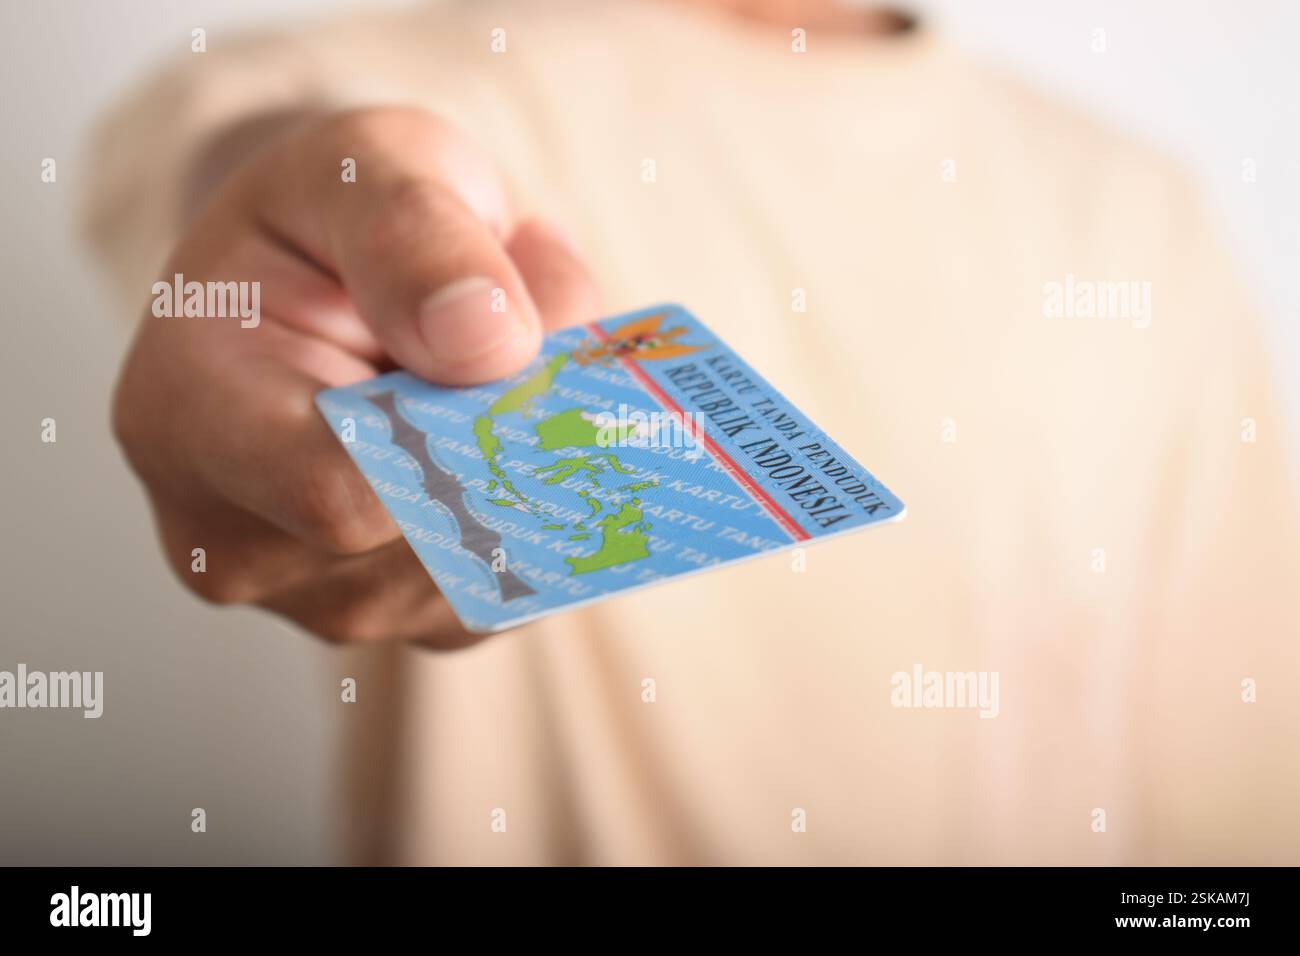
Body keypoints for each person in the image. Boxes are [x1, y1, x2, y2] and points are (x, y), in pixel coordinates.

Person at [88, 0, 1299, 864]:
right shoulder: (383, 78)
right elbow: (259, 167)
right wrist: (275, 234)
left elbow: (1232, 795)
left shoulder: (1140, 208)